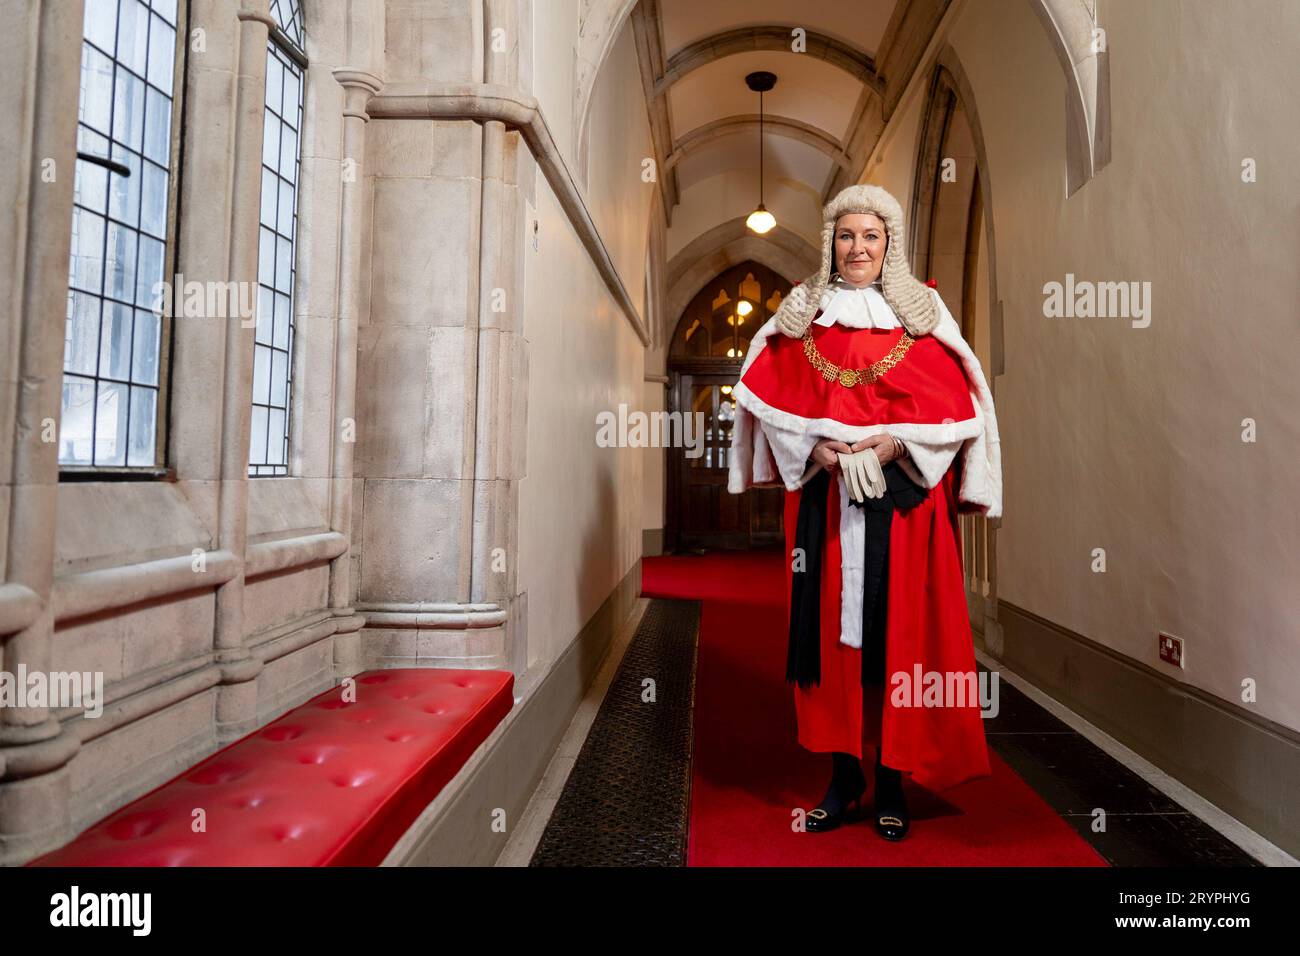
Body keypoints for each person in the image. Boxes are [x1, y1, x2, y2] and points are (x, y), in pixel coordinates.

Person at [727, 183, 1003, 841]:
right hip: (826, 508)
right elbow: (765, 400)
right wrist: (815, 447)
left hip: (905, 508)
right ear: (831, 242)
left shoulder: (924, 313)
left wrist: (895, 443)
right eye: (847, 236)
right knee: (832, 648)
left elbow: (960, 410)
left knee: (899, 643)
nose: (858, 248)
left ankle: (893, 783)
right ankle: (842, 776)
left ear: (890, 244)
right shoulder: (801, 312)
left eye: (871, 236)